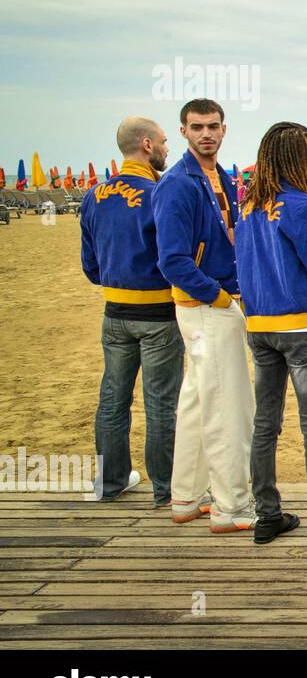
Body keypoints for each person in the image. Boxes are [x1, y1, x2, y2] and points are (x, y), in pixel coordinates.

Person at [235, 122, 307, 546]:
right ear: (290, 160)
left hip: (259, 324)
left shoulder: (248, 205)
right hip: (300, 326)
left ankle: (267, 515)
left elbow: (242, 266)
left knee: (265, 424)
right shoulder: (301, 205)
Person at [154, 98, 256, 532]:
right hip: (204, 306)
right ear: (183, 132)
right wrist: (219, 298)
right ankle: (232, 506)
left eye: (212, 126)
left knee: (197, 402)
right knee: (228, 407)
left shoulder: (220, 177)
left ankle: (186, 497)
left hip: (209, 304)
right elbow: (172, 260)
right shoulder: (178, 183)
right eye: (197, 127)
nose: (206, 134)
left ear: (224, 129)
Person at [79, 117, 184, 505]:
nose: (166, 148)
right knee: (160, 404)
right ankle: (166, 488)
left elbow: (90, 266)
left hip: (114, 312)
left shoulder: (94, 195)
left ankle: (110, 482)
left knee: (113, 399)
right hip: (157, 313)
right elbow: (174, 258)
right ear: (146, 145)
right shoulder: (159, 194)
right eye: (162, 142)